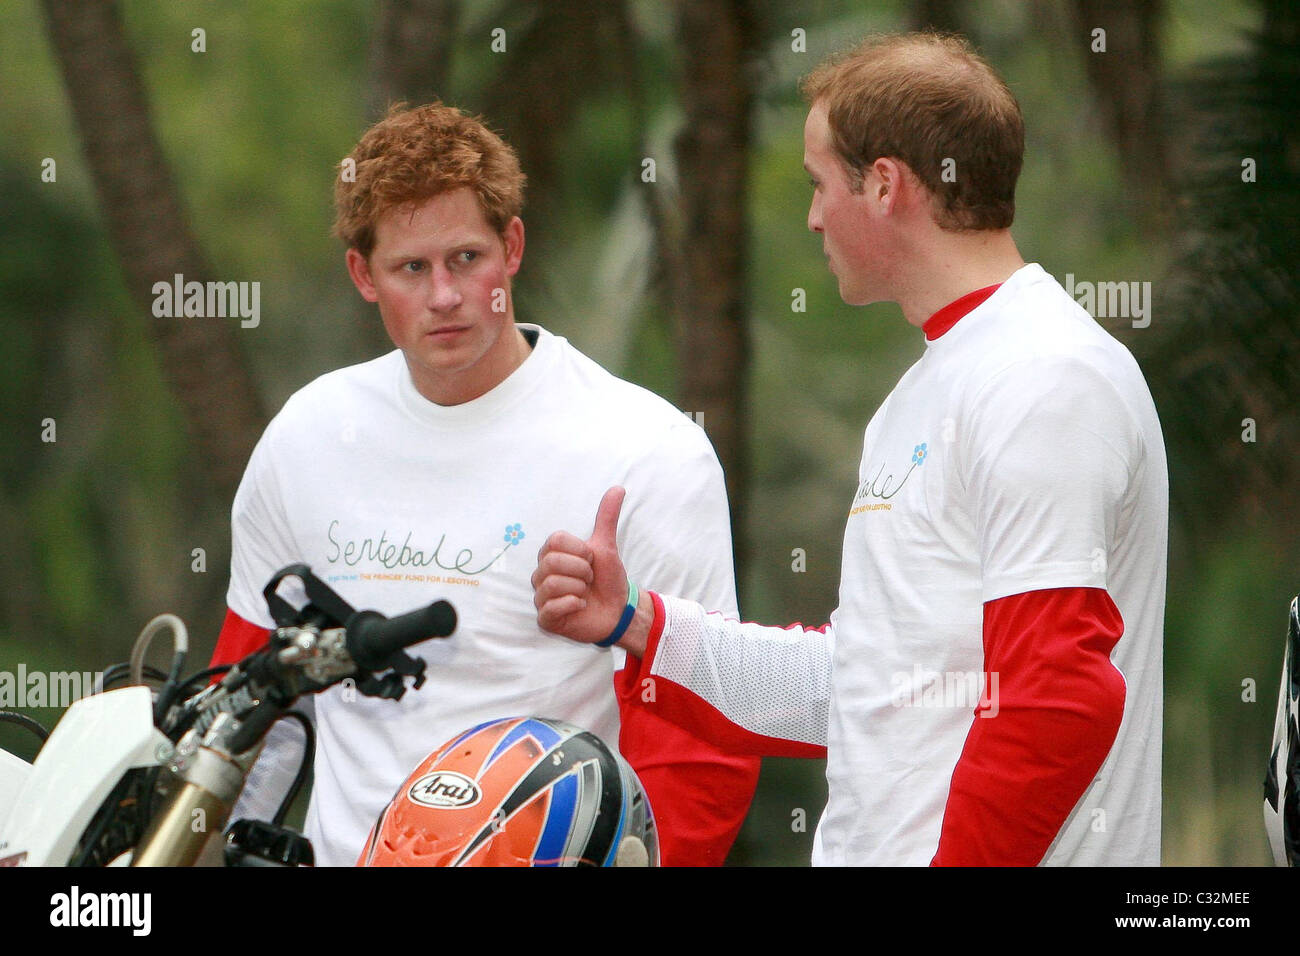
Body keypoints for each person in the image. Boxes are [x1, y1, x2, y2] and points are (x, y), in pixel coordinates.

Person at [532, 32, 1168, 866]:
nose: (810, 214)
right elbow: (866, 689)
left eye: (817, 181)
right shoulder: (928, 388)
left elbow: (1057, 698)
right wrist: (641, 623)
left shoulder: (1045, 375)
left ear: (883, 185)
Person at [209, 102, 759, 866]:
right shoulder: (306, 438)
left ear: (513, 247)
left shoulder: (647, 450)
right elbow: (255, 718)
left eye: (466, 258)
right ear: (363, 275)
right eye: (411, 268)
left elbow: (701, 750)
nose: (444, 296)